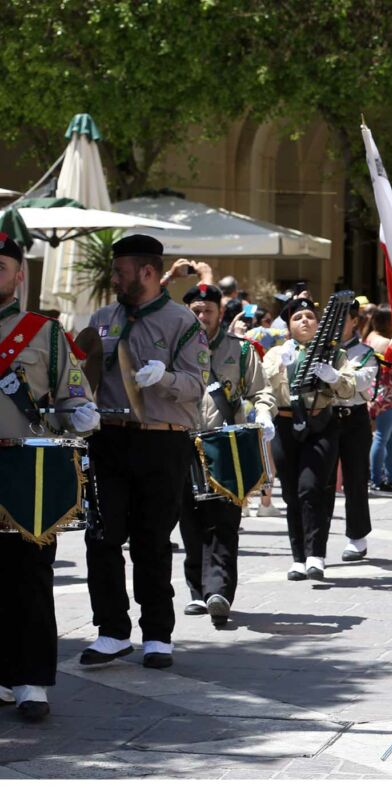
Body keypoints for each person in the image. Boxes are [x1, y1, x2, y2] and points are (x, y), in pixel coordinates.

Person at [81, 235, 209, 669]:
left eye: (121, 272)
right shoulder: (102, 317)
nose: (114, 278)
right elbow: (83, 371)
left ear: (149, 273)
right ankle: (112, 630)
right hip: (109, 437)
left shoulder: (182, 322)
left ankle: (157, 633)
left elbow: (197, 384)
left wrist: (166, 378)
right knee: (101, 536)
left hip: (161, 439)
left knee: (152, 539)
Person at [0, 233, 96, 719]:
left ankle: (31, 680)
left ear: (19, 275)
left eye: (1, 266)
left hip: (26, 467)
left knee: (30, 575)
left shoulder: (44, 333)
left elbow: (71, 392)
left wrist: (80, 411)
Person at [178, 283, 274, 627]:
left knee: (224, 520)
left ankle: (219, 591)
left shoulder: (241, 351)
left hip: (225, 444)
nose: (202, 317)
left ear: (221, 313)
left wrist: (262, 413)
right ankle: (196, 590)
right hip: (182, 441)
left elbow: (261, 389)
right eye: (196, 311)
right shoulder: (175, 348)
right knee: (189, 521)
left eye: (208, 311)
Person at [264, 299, 356, 581]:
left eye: (310, 317)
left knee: (311, 488)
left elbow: (349, 388)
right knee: (292, 494)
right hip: (286, 421)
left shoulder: (333, 354)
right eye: (297, 317)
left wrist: (334, 377)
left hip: (320, 422)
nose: (304, 321)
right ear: (288, 325)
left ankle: (316, 554)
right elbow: (264, 388)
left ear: (319, 324)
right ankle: (298, 558)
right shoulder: (275, 354)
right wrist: (264, 411)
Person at [328, 301, 380, 562]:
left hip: (354, 416)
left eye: (343, 320)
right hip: (326, 416)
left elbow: (361, 380)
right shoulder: (322, 351)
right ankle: (316, 541)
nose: (338, 326)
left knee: (355, 478)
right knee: (322, 480)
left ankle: (357, 538)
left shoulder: (365, 352)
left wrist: (334, 377)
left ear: (354, 322)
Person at [364, 305, 392, 493]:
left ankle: (391, 476)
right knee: (381, 437)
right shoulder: (386, 342)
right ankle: (376, 478)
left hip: (373, 391)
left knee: (387, 438)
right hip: (387, 393)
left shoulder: (369, 337)